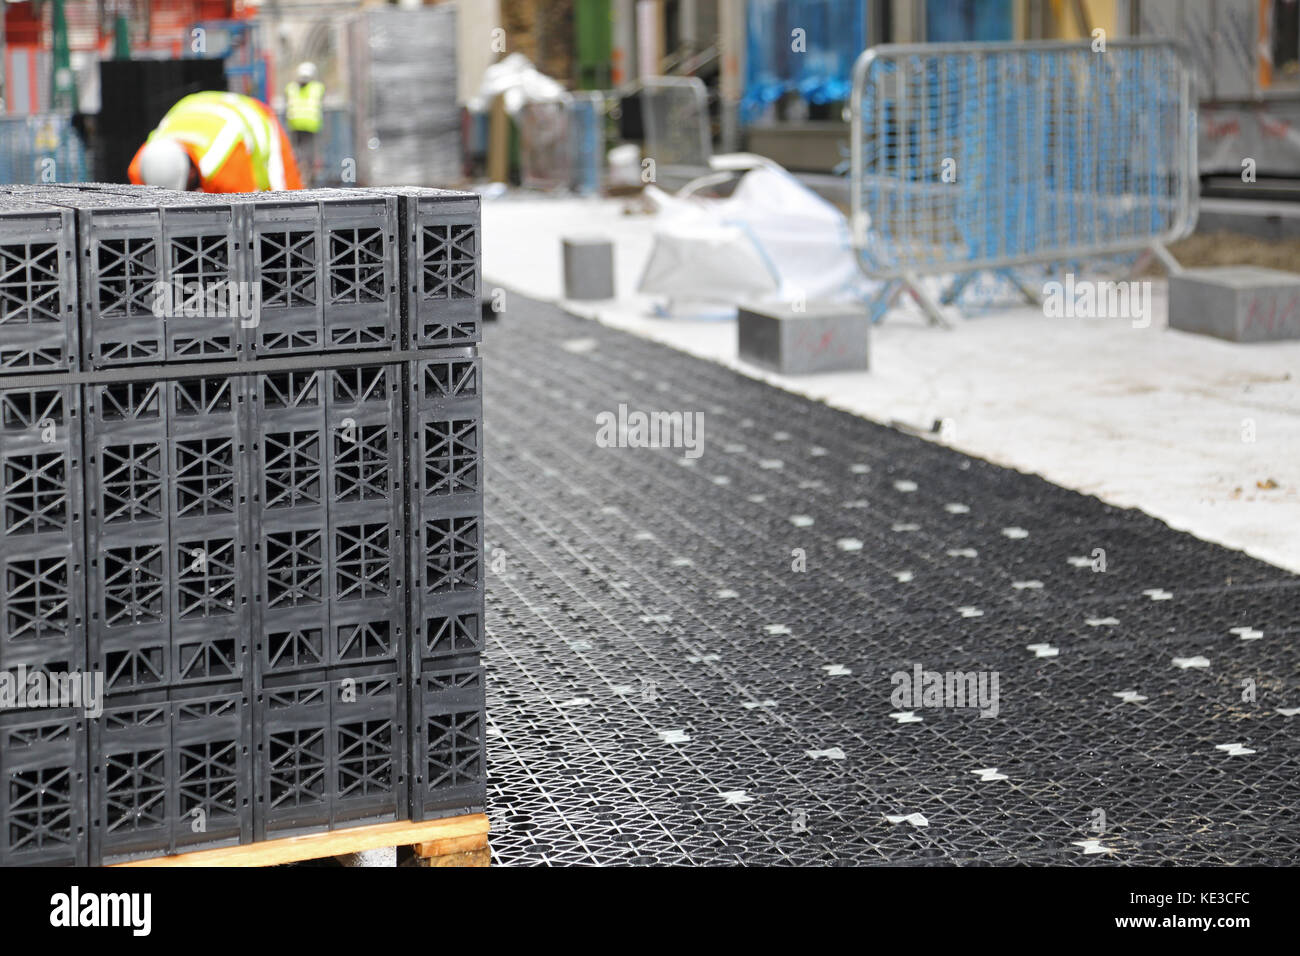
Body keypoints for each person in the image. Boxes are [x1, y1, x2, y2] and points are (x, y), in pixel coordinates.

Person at [128, 91, 303, 192]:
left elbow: (248, 219)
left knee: (286, 204)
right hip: (197, 107)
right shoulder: (140, 168)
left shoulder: (223, 168)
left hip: (254, 115)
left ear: (191, 174)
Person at [285, 62, 325, 186]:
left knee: (296, 152)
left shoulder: (291, 87)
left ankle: (299, 175)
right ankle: (308, 176)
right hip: (310, 125)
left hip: (295, 124)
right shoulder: (317, 87)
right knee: (309, 153)